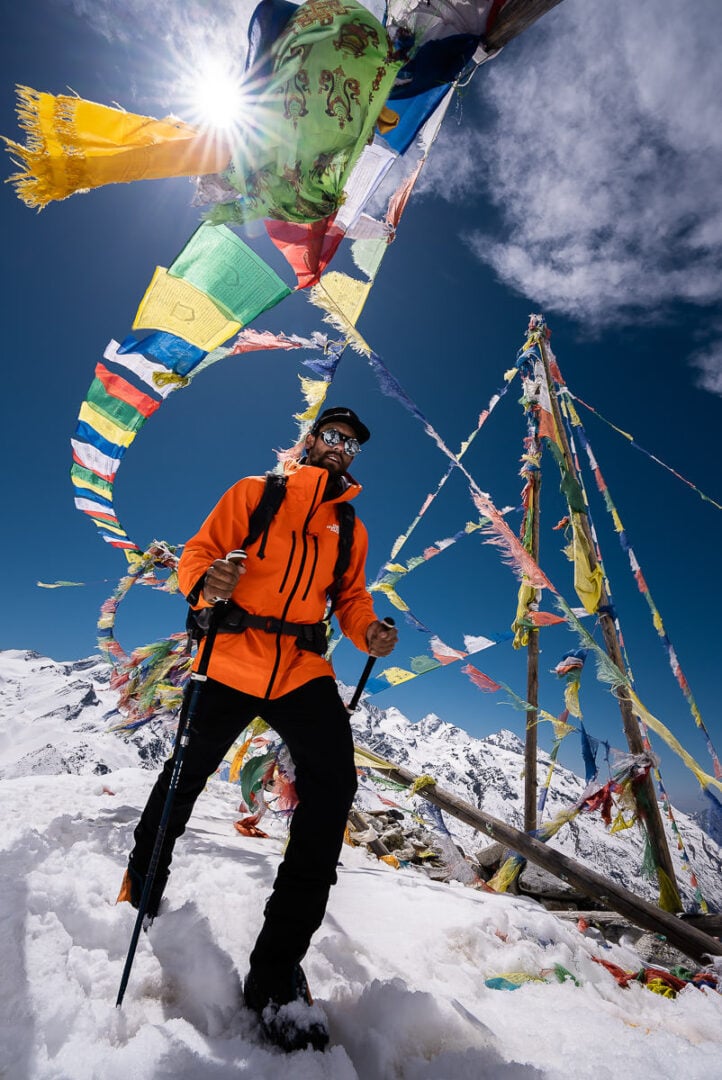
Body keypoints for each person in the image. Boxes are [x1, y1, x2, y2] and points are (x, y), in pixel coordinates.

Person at [119, 406, 397, 1050]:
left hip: (303, 667)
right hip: (231, 656)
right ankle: (143, 887)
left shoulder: (348, 525)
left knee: (332, 792)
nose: (340, 448)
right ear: (309, 440)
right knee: (184, 777)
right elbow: (200, 555)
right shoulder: (254, 493)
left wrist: (368, 631)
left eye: (351, 443)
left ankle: (275, 974)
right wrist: (205, 583)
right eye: (331, 436)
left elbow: (351, 600)